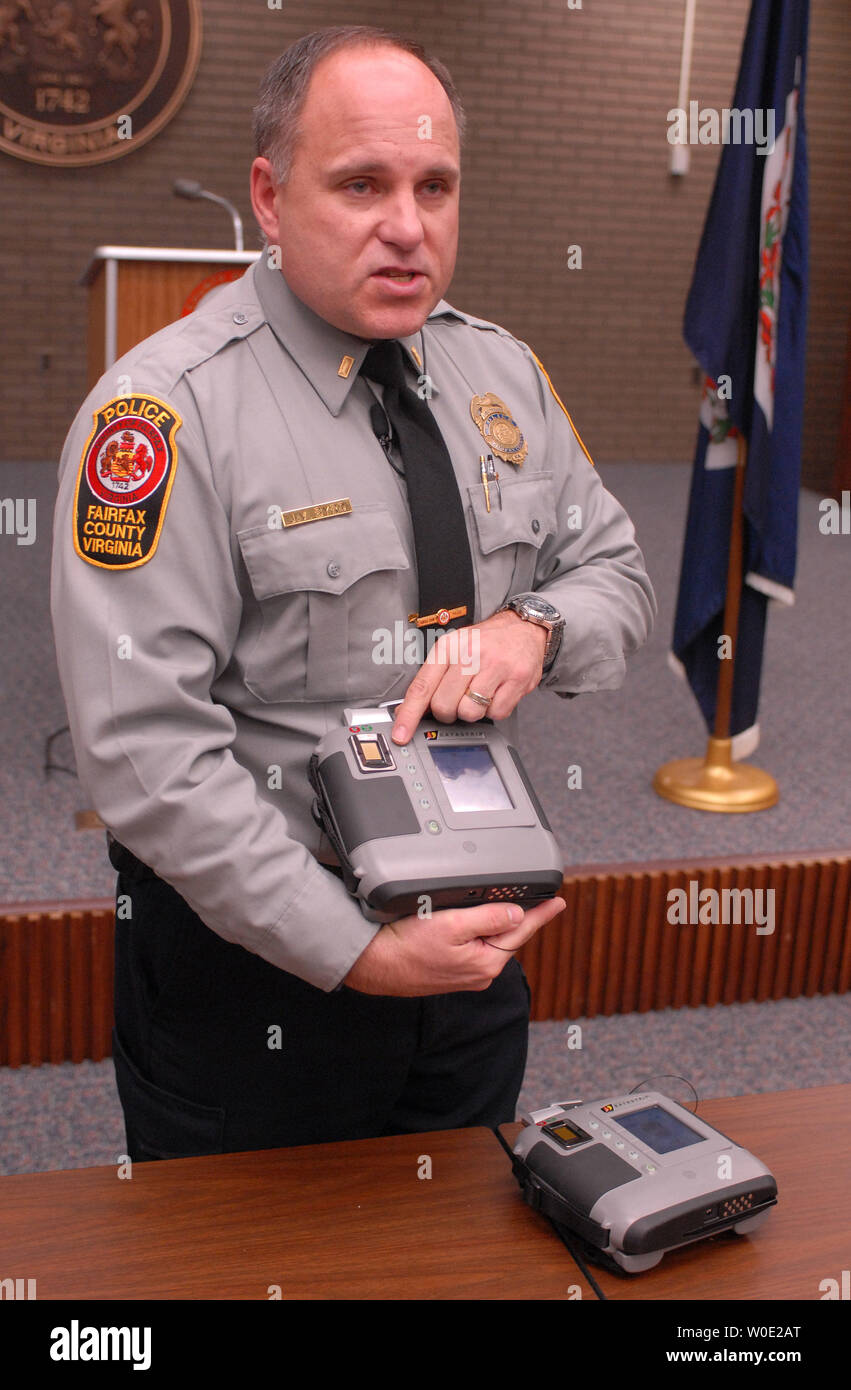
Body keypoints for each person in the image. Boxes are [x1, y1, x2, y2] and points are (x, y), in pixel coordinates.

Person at [51, 26, 656, 1160]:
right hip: (260, 967)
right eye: (362, 184)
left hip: (473, 923)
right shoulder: (163, 417)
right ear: (270, 199)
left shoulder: (503, 377)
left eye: (435, 187)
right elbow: (143, 754)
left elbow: (613, 570)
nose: (407, 226)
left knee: (453, 1241)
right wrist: (356, 949)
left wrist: (532, 626)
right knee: (244, 1267)